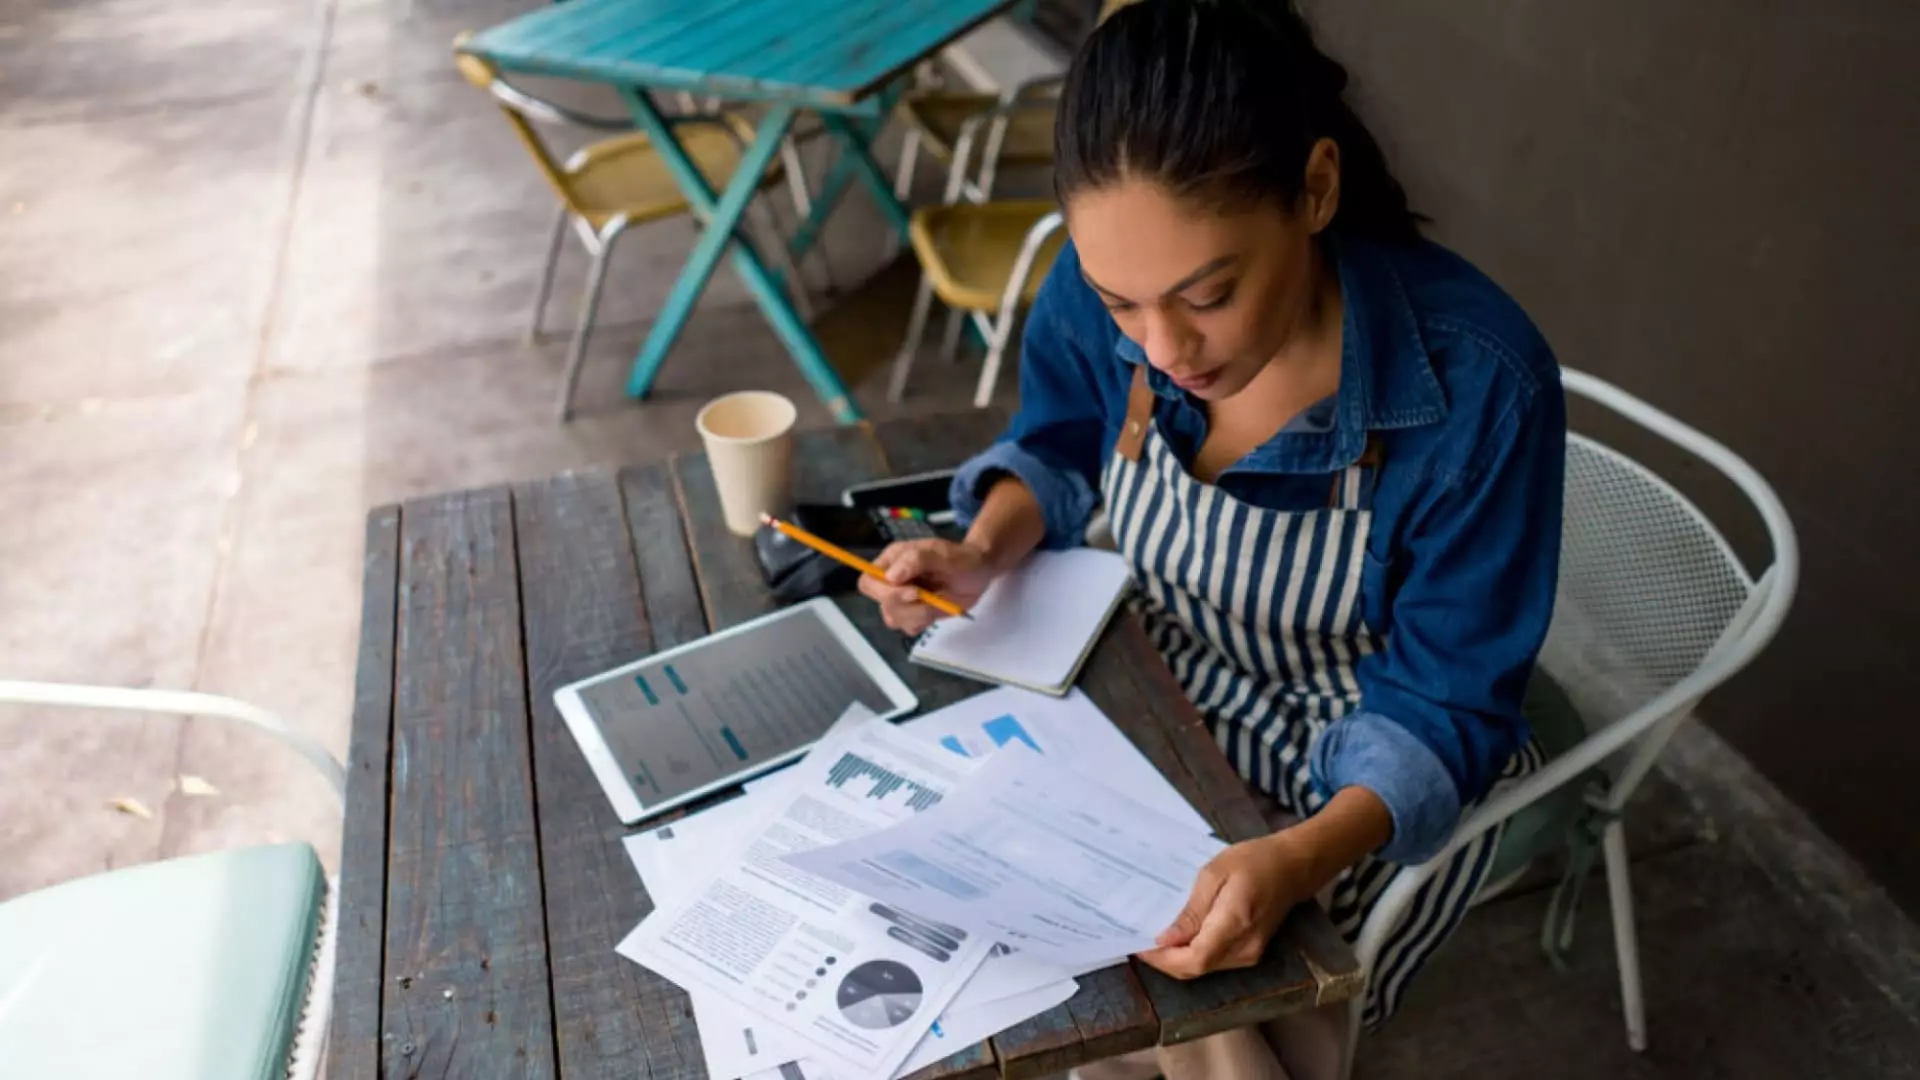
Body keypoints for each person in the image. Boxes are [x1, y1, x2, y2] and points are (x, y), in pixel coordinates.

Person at [859, 0, 1568, 1075]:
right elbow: (1055, 447)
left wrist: (1292, 855)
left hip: (1347, 774)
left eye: (1211, 294)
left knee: (1201, 1019)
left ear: (1316, 188)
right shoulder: (1099, 290)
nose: (1165, 347)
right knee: (985, 975)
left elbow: (1447, 699)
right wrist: (985, 546)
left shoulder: (1478, 384)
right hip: (1149, 691)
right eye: (1121, 305)